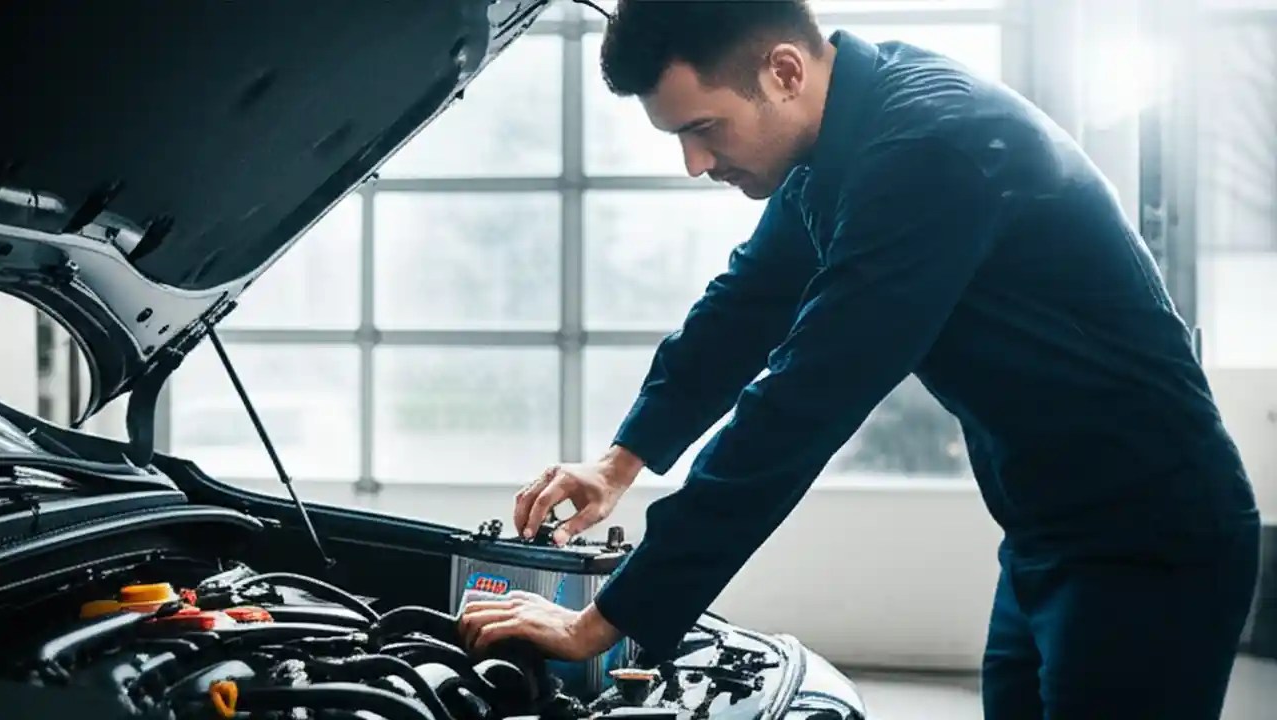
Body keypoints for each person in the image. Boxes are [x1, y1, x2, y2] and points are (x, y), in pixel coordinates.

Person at [458, 2, 1261, 717]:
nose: (695, 164)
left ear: (782, 71)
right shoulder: (837, 142)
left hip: (1151, 546)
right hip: (1045, 534)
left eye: (702, 129)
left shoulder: (928, 150)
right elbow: (745, 306)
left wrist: (605, 620)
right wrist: (619, 463)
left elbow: (803, 403)